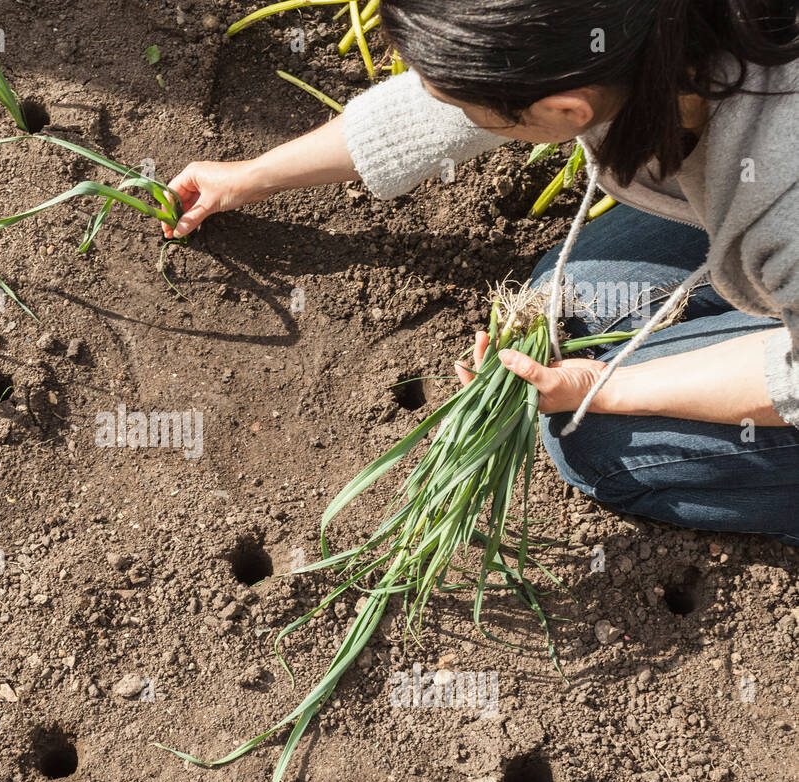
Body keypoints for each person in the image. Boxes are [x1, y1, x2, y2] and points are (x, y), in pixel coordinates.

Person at [164, 0, 799, 545]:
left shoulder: (779, 188)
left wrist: (604, 389)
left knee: (595, 441)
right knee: (567, 305)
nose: (461, 113)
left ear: (569, 108)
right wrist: (251, 176)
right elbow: (467, 93)